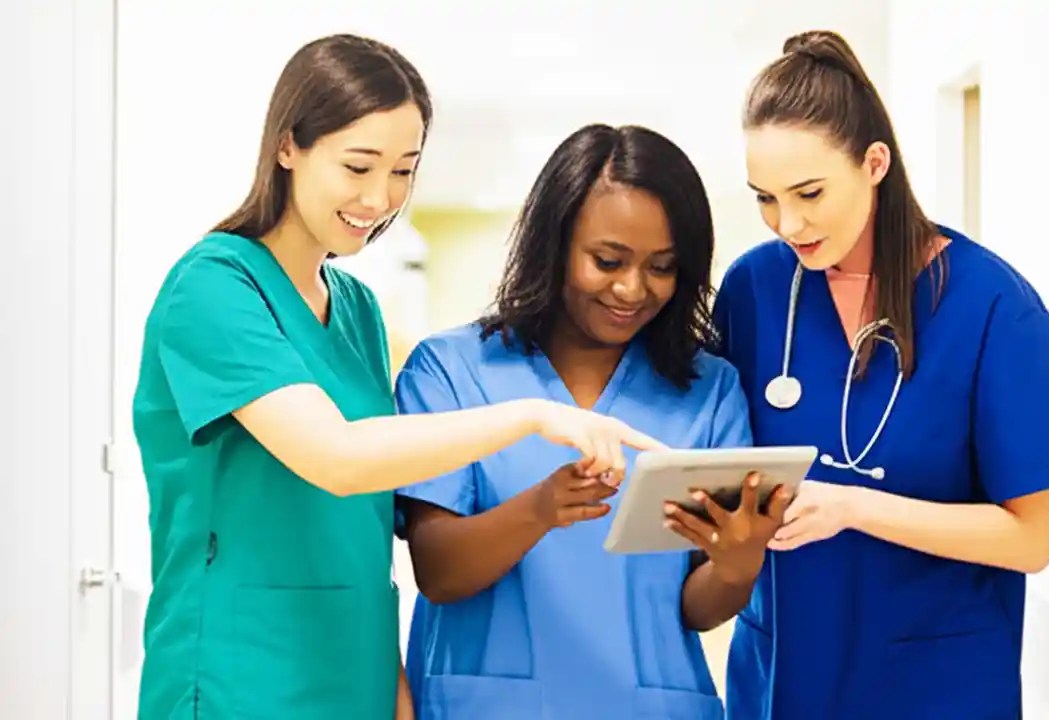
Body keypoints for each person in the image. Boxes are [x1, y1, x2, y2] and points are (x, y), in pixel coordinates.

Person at [131, 36, 659, 720]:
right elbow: (339, 460)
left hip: (352, 671)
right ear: (288, 147)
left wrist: (392, 680)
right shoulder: (213, 288)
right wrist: (533, 415)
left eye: (403, 171)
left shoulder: (356, 310)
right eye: (358, 166)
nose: (380, 198)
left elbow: (364, 515)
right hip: (241, 672)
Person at [713, 30, 1049, 719]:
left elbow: (1031, 540)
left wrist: (851, 506)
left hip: (937, 683)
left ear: (874, 162)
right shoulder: (754, 291)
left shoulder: (993, 307)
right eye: (765, 198)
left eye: (810, 192)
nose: (787, 223)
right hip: (785, 675)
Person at [394, 123, 789, 720]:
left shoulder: (708, 390)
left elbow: (695, 608)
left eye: (662, 266)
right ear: (554, 246)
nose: (632, 289)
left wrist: (738, 564)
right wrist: (540, 509)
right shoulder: (451, 372)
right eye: (608, 260)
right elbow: (439, 572)